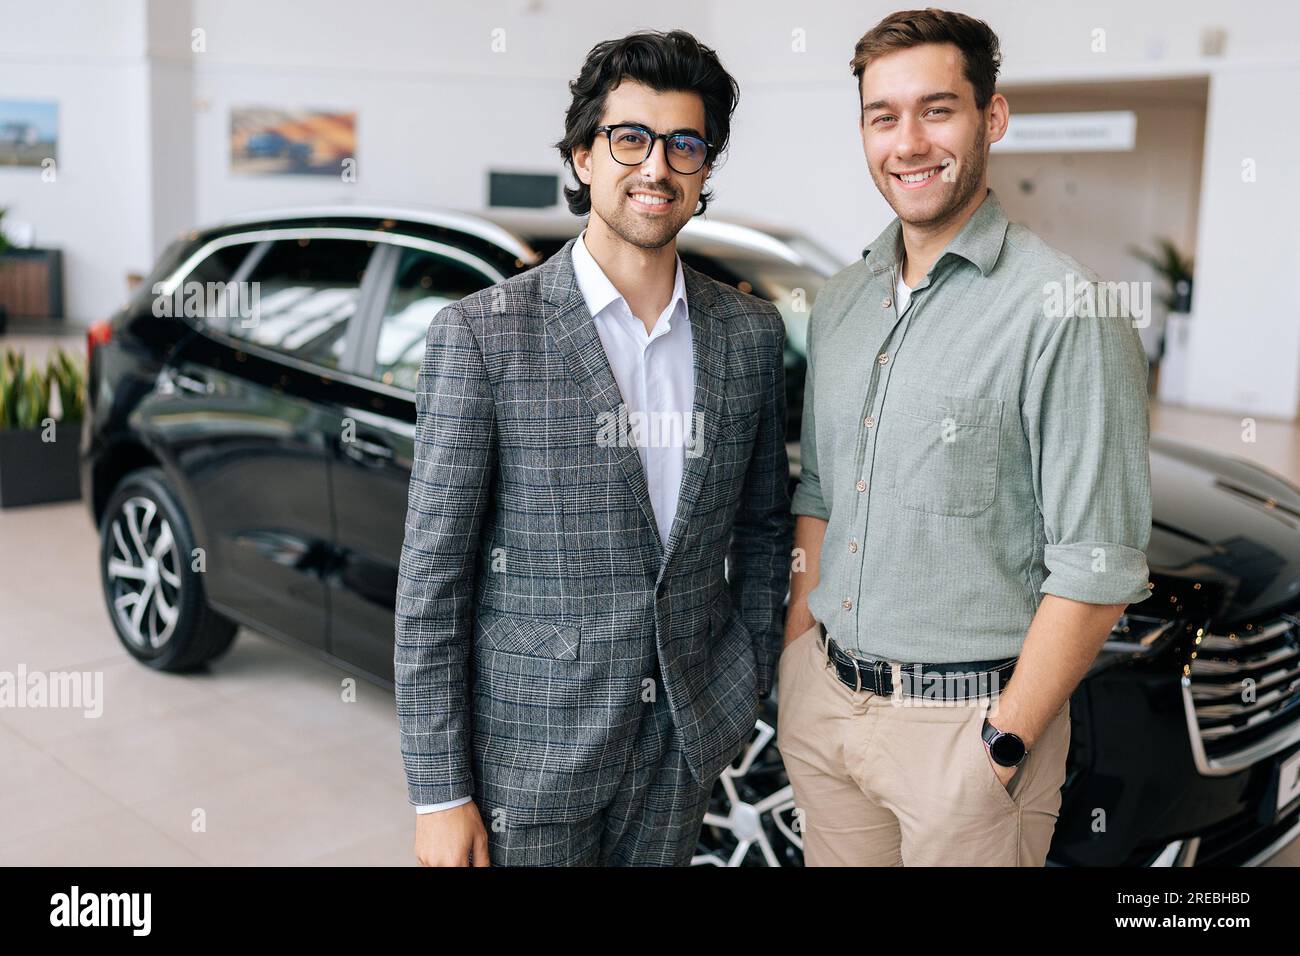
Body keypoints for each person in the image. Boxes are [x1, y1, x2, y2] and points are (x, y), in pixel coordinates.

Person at [395, 29, 792, 866]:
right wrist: (440, 790)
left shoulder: (750, 334)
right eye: (630, 139)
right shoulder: (483, 334)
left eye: (684, 144)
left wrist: (744, 669)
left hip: (680, 747)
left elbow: (763, 527)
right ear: (583, 156)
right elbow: (433, 581)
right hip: (528, 758)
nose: (657, 168)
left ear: (705, 168)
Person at [780, 7, 1152, 867]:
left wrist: (1005, 741)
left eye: (937, 109)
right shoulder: (841, 303)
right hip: (825, 708)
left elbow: (1098, 562)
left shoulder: (1066, 309)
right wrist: (800, 655)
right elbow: (822, 495)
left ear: (993, 118)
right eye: (884, 116)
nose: (908, 141)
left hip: (966, 740)